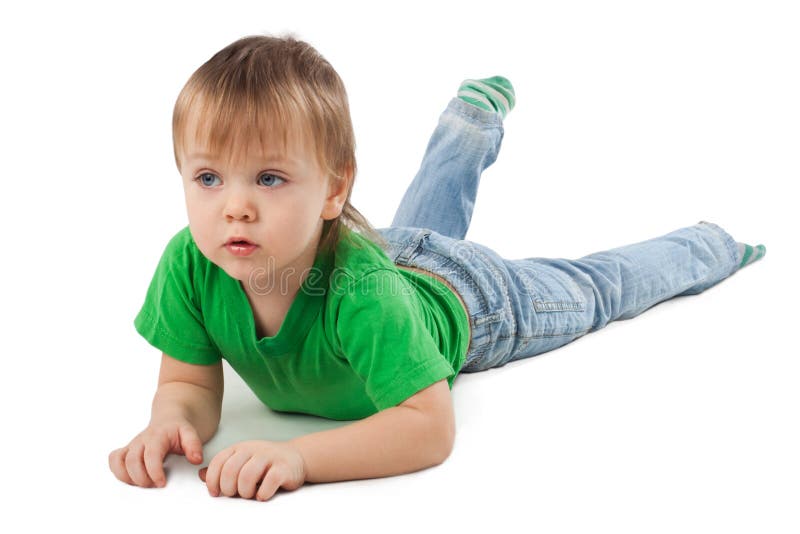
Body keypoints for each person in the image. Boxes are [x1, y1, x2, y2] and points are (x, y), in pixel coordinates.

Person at [108, 35, 766, 502]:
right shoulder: (190, 264)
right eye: (208, 178)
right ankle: (467, 125)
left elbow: (427, 426)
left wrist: (298, 457)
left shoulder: (362, 290)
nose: (235, 208)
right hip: (388, 253)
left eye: (269, 177)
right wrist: (172, 421)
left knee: (595, 290)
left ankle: (709, 246)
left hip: (475, 301)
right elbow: (188, 383)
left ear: (334, 190)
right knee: (416, 232)